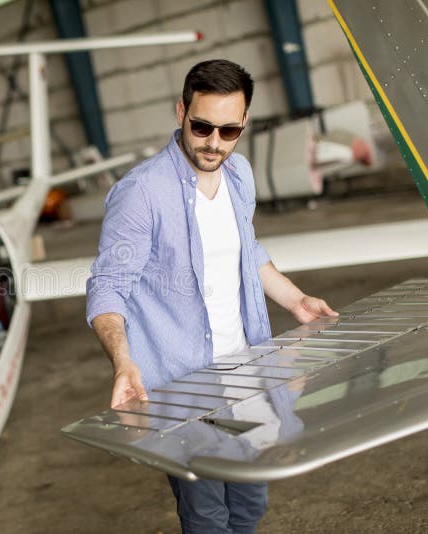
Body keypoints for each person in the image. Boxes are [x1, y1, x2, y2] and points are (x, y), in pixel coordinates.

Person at [85, 59, 338, 534]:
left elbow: (250, 252)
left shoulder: (239, 174)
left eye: (229, 131)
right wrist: (123, 361)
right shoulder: (141, 193)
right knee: (206, 516)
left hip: (248, 371)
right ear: (181, 111)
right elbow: (108, 285)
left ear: (243, 125)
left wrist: (295, 300)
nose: (213, 143)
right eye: (202, 127)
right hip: (183, 385)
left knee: (248, 504)